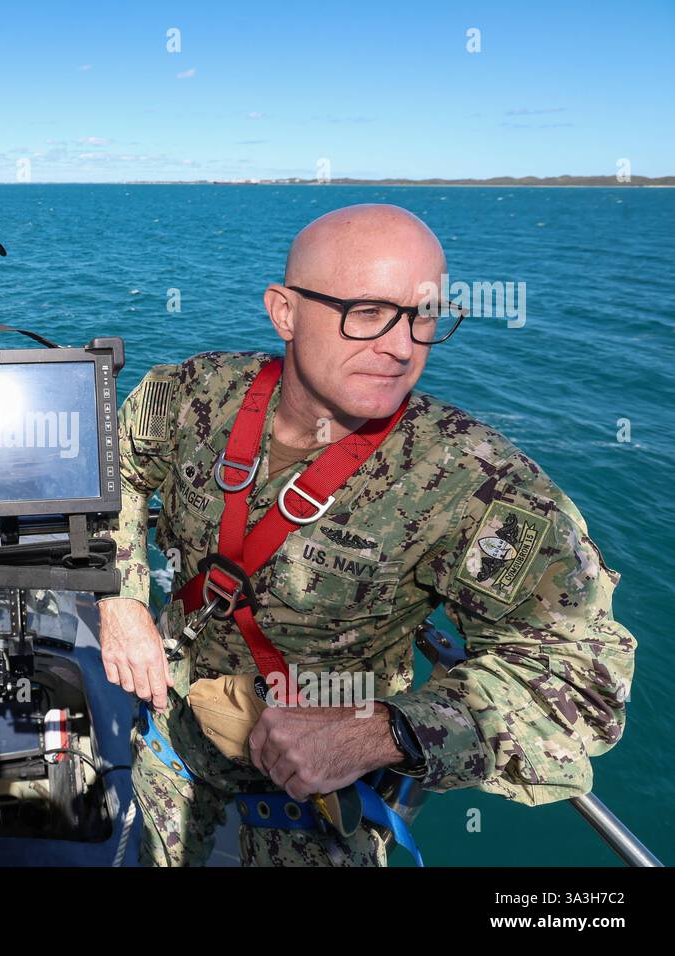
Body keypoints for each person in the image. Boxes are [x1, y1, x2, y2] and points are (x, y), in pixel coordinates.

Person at [97, 203, 636, 866]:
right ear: (285, 311)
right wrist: (119, 597)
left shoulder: (471, 481)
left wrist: (384, 732)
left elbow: (584, 681)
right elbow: (115, 465)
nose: (403, 345)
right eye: (370, 312)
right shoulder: (195, 393)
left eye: (424, 314)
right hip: (163, 752)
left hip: (307, 819)